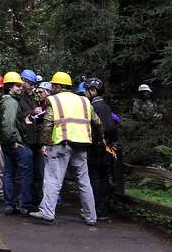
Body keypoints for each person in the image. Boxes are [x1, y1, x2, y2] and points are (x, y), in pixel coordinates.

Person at [29, 71, 102, 227]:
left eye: (54, 85)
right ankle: (91, 216)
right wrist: (99, 139)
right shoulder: (84, 101)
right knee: (84, 181)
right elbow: (97, 122)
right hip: (81, 145)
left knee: (53, 179)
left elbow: (48, 123)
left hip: (60, 144)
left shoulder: (53, 100)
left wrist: (44, 143)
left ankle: (47, 212)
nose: (52, 87)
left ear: (58, 86)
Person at [0, 72, 32, 215]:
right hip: (13, 143)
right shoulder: (11, 102)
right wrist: (14, 141)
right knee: (25, 171)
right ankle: (25, 204)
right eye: (17, 85)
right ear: (10, 87)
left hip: (7, 143)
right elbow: (7, 124)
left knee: (9, 173)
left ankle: (10, 204)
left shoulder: (6, 101)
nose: (20, 87)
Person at [85, 77, 117, 220]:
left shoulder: (94, 107)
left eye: (87, 90)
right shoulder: (105, 106)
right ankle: (103, 207)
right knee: (104, 177)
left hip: (96, 148)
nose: (85, 93)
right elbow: (113, 128)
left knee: (95, 178)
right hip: (107, 147)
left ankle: (95, 208)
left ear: (93, 91)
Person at [19, 69, 44, 212]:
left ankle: (37, 202)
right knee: (26, 173)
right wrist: (31, 113)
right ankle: (25, 203)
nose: (32, 87)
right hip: (26, 140)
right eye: (30, 83)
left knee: (38, 173)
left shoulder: (32, 98)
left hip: (36, 140)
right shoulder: (18, 98)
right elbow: (19, 116)